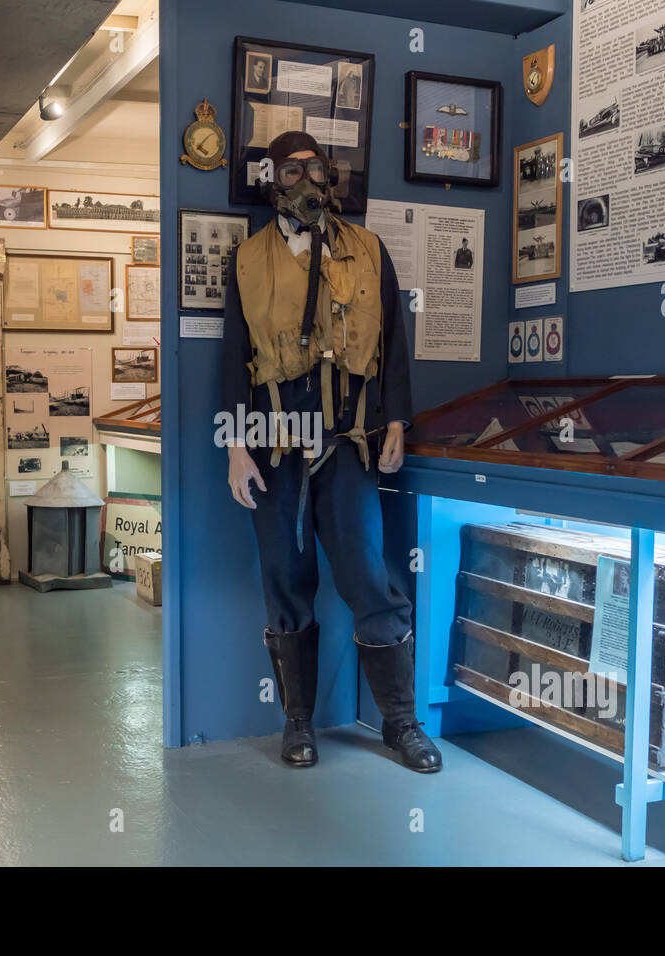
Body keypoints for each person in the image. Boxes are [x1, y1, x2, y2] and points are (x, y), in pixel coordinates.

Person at [220, 130, 442, 773]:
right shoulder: (248, 260)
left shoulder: (368, 252)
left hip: (348, 445)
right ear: (273, 182)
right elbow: (235, 359)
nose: (308, 182)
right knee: (285, 582)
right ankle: (297, 722)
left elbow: (394, 342)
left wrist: (395, 421)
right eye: (293, 171)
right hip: (274, 446)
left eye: (317, 169)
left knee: (371, 577)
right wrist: (236, 444)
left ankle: (400, 723)